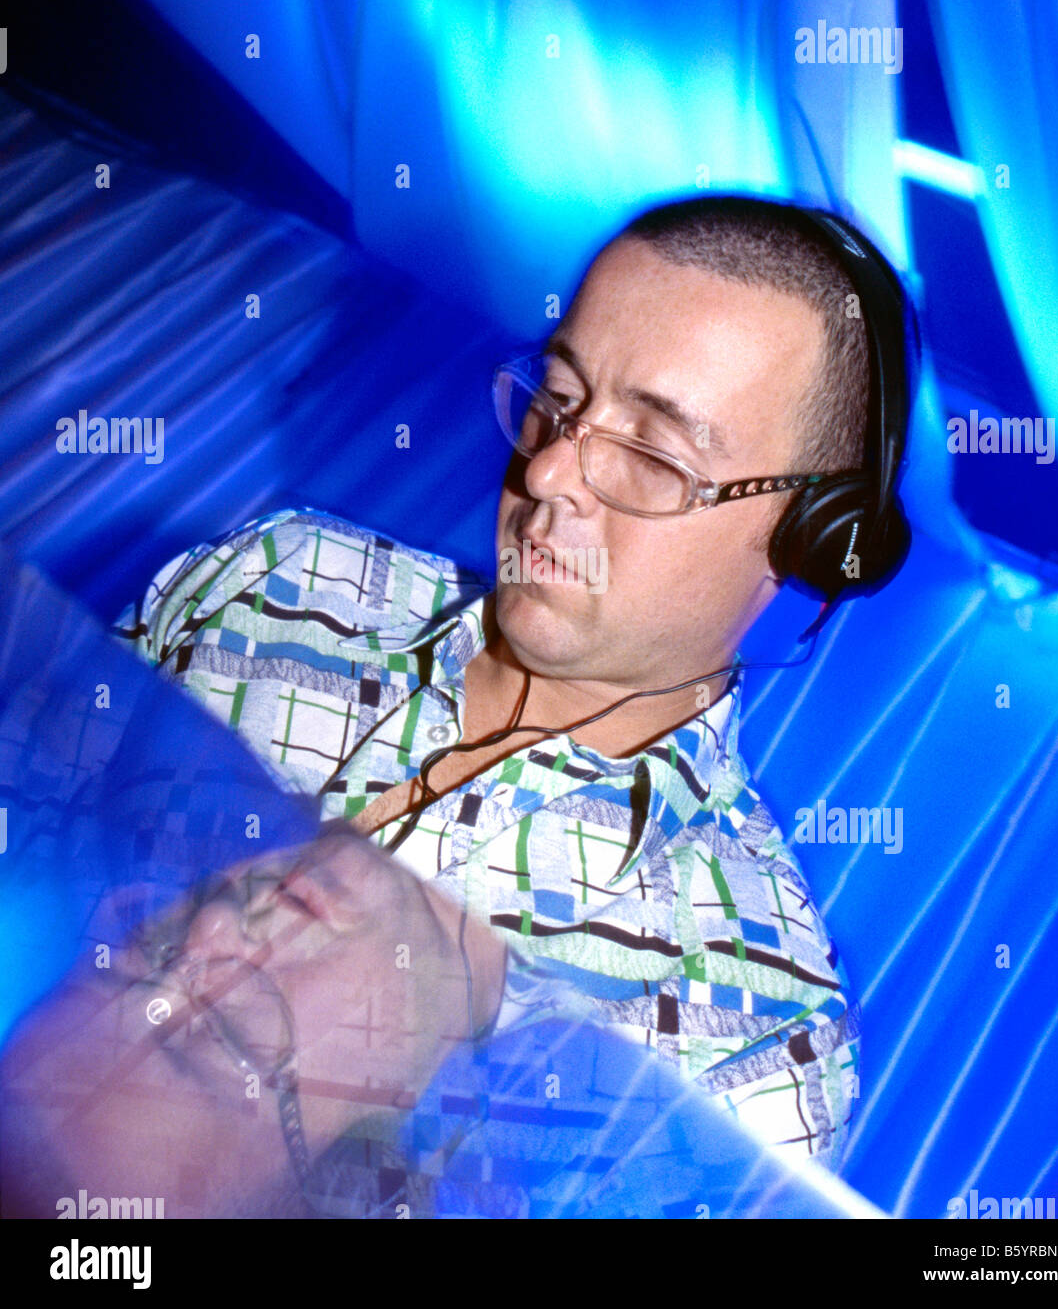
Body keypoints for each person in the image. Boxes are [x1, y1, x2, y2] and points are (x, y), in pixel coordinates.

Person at [1, 194, 912, 1217]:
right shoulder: (271, 580)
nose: (552, 469)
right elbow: (38, 846)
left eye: (654, 457)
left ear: (810, 550)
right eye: (556, 399)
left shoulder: (749, 1041)